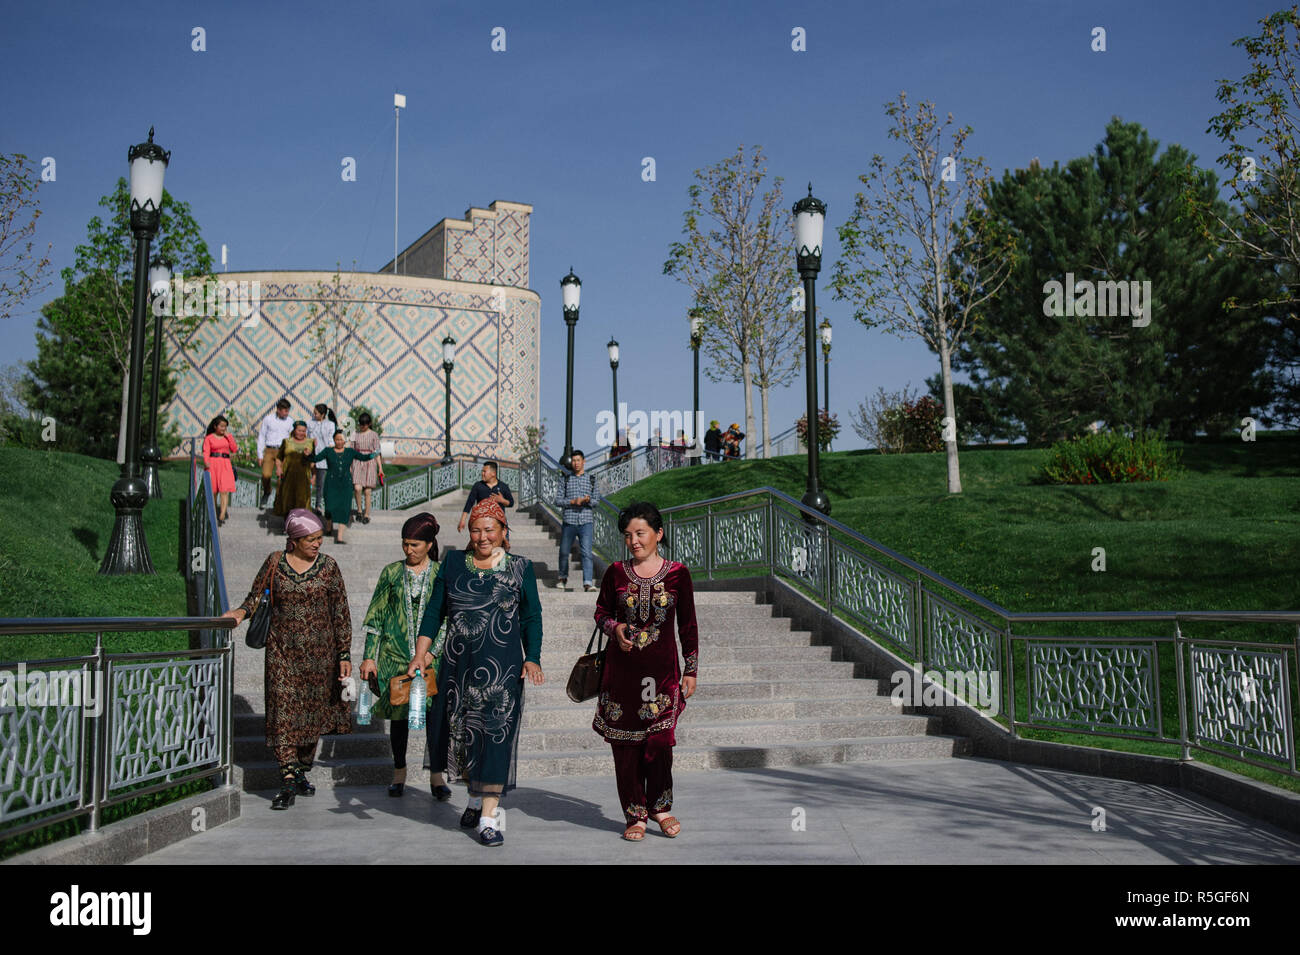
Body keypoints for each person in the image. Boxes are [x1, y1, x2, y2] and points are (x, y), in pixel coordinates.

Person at [410, 499, 544, 846]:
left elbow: (531, 617)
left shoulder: (520, 567)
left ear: (503, 531)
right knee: (460, 737)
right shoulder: (454, 563)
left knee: (495, 738)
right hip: (457, 669)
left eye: (490, 529)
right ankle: (472, 799)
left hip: (502, 671)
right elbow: (434, 612)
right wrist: (421, 654)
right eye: (475, 530)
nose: (482, 537)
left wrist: (534, 657)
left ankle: (489, 818)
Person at [223, 509, 352, 810]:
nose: (317, 544)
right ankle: (288, 780)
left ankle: (301, 771)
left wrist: (344, 653)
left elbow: (341, 612)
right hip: (282, 653)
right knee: (282, 715)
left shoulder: (330, 567)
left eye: (320, 539)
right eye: (311, 539)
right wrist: (241, 613)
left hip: (321, 657)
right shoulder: (274, 562)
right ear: (293, 540)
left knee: (311, 718)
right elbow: (257, 595)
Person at [593, 501, 698, 841]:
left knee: (659, 743)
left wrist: (691, 669)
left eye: (640, 533)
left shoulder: (679, 573)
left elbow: (688, 625)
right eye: (628, 535)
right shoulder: (615, 573)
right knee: (625, 749)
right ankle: (635, 814)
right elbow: (601, 613)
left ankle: (660, 806)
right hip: (621, 675)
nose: (633, 541)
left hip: (661, 677)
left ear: (658, 534)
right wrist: (615, 629)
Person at [359, 513, 451, 799]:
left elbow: (448, 617)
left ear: (429, 543)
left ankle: (437, 776)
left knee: (434, 718)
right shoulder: (390, 573)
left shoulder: (441, 572)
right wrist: (369, 656)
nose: (408, 550)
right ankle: (399, 772)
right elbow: (376, 616)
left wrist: (431, 652)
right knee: (399, 718)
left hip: (431, 660)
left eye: (414, 545)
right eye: (405, 544)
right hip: (395, 656)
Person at [309, 430, 374, 543]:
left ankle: (339, 537)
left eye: (341, 439)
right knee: (329, 507)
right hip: (331, 483)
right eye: (337, 439)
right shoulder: (328, 451)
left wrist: (374, 454)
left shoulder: (350, 452)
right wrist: (309, 453)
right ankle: (328, 526)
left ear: (345, 441)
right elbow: (315, 459)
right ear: (334, 440)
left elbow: (363, 457)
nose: (339, 441)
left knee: (344, 509)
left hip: (345, 485)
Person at [553, 449, 599, 592]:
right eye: (573, 461)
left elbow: (597, 501)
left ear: (583, 461)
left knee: (586, 553)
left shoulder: (592, 479)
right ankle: (562, 578)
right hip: (569, 521)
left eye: (578, 460)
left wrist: (587, 500)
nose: (576, 463)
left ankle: (587, 582)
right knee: (564, 551)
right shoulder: (565, 479)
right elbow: (558, 500)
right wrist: (573, 501)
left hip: (586, 521)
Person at [457, 461, 514, 533]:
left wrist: (502, 501)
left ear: (493, 473)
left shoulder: (503, 486)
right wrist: (463, 519)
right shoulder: (478, 486)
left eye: (484, 471)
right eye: (482, 471)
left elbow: (511, 503)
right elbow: (469, 503)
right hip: (482, 523)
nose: (482, 474)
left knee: (503, 544)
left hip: (499, 523)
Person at [273, 421, 316, 518]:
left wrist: (314, 476)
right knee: (288, 499)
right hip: (288, 476)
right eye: (299, 430)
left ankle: (299, 525)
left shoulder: (310, 442)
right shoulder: (286, 442)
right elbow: (279, 457)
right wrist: (279, 468)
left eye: (304, 431)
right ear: (294, 430)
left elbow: (314, 461)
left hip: (303, 477)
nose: (301, 433)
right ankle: (288, 524)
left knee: (302, 500)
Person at [257, 399, 294, 508]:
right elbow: (262, 436)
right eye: (284, 411)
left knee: (281, 477)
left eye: (288, 411)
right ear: (278, 410)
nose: (286, 413)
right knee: (266, 475)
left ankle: (278, 500)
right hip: (269, 450)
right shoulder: (268, 419)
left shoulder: (290, 421)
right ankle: (267, 491)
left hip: (283, 451)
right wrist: (260, 454)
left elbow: (292, 437)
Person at [202, 414, 238, 525]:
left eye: (225, 427)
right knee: (213, 491)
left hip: (225, 465)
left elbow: (234, 449)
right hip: (213, 464)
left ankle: (222, 515)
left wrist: (230, 437)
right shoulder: (209, 438)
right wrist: (206, 462)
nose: (223, 429)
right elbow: (206, 451)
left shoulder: (227, 437)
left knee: (224, 490)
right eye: (221, 426)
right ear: (215, 426)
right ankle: (212, 513)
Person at [351, 413, 383, 524]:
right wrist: (350, 466)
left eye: (364, 424)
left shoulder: (374, 435)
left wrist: (380, 468)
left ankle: (367, 514)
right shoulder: (355, 434)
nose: (362, 426)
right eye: (361, 424)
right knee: (357, 488)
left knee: (368, 491)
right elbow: (351, 451)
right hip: (357, 461)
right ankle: (359, 510)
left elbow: (377, 452)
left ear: (369, 424)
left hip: (370, 462)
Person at [307, 404, 337, 510]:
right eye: (314, 412)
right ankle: (306, 504)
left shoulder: (330, 425)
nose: (314, 415)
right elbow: (306, 437)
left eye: (316, 413)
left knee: (321, 482)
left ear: (323, 414)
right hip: (311, 455)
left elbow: (330, 441)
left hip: (323, 458)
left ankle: (318, 505)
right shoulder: (310, 423)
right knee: (310, 480)